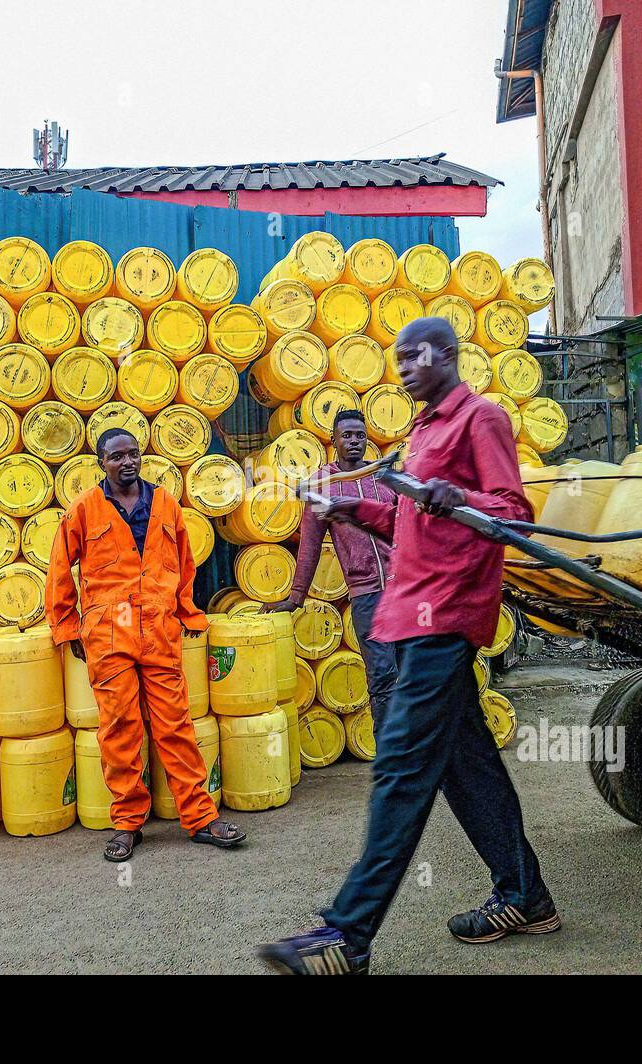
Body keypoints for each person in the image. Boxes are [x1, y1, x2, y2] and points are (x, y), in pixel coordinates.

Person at [259, 318, 557, 975]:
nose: (403, 367)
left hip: (443, 621)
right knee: (466, 766)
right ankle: (526, 895)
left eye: (414, 356)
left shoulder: (480, 419)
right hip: (407, 615)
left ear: (448, 355)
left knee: (399, 772)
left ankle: (347, 935)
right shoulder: (421, 429)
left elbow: (512, 515)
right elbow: (405, 519)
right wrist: (352, 510)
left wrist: (463, 496)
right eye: (397, 358)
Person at [46, 428, 246, 861]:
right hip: (109, 634)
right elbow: (60, 571)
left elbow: (185, 563)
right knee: (120, 729)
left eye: (133, 454)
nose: (127, 462)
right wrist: (67, 627)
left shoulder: (166, 505)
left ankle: (200, 817)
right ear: (102, 463)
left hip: (158, 631)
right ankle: (127, 823)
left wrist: (187, 611)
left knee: (176, 724)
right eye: (117, 456)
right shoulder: (83, 510)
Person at [263, 409, 397, 726]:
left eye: (360, 435)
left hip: (404, 589)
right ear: (333, 439)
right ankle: (393, 758)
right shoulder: (322, 485)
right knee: (382, 677)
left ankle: (419, 757)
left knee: (413, 675)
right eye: (347, 435)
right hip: (366, 596)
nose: (354, 441)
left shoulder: (384, 477)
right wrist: (295, 597)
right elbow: (309, 545)